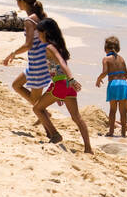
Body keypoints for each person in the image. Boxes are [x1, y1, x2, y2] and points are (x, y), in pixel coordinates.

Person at [32, 18, 93, 153]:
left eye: (39, 33)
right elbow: (61, 65)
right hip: (65, 85)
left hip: (61, 83)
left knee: (37, 109)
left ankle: (54, 134)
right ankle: (88, 148)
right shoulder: (59, 47)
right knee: (77, 117)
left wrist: (71, 79)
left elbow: (61, 63)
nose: (38, 36)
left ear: (46, 33)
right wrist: (68, 84)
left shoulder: (49, 47)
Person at [2, 0, 48, 105]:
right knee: (16, 85)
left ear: (22, 1)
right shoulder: (43, 15)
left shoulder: (29, 21)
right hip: (42, 60)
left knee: (34, 100)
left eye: (17, 1)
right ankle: (44, 111)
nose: (17, 4)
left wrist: (13, 54)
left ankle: (45, 113)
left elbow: (28, 44)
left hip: (38, 63)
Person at [96, 37, 127, 137]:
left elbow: (105, 72)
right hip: (124, 83)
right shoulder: (122, 59)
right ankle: (123, 133)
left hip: (113, 84)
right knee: (123, 110)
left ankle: (111, 131)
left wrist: (99, 79)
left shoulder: (106, 59)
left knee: (112, 110)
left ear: (105, 48)